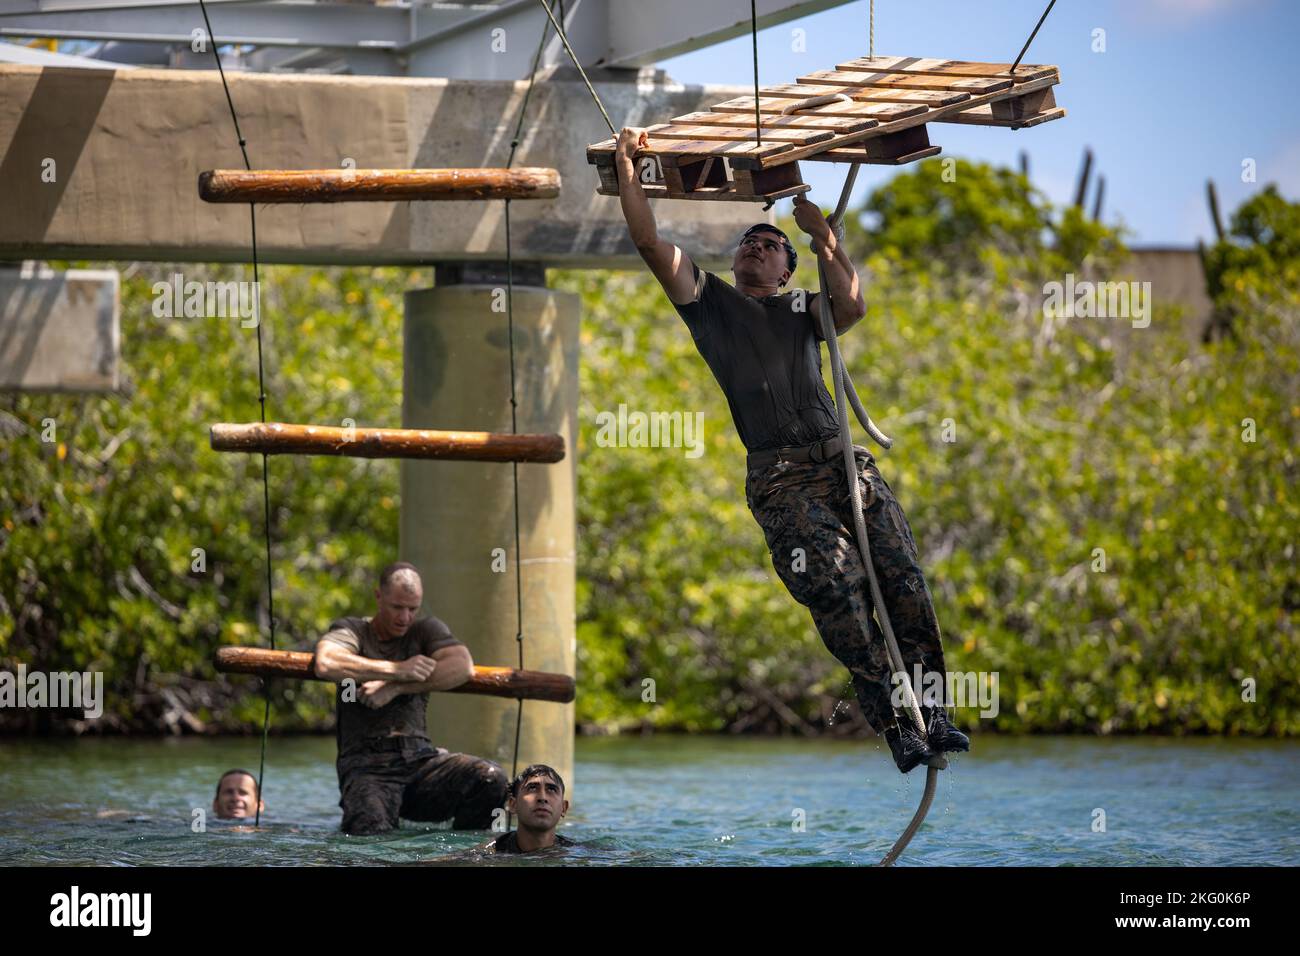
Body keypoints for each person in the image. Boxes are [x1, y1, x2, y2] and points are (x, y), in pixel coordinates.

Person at [612, 126, 970, 773]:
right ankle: (896, 724)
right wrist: (629, 168)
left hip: (844, 466)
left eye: (770, 245)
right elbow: (647, 240)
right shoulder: (710, 302)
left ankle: (935, 712)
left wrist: (821, 236)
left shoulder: (806, 307)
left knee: (904, 581)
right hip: (783, 480)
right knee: (838, 589)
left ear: (786, 268)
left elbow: (852, 302)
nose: (756, 247)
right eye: (750, 241)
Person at [314, 561, 508, 834]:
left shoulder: (425, 630)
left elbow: (462, 666)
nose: (404, 617)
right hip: (367, 768)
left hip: (421, 761)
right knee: (371, 830)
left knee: (490, 778)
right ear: (378, 597)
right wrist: (397, 669)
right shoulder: (354, 630)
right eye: (397, 607)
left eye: (412, 608)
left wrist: (397, 686)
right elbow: (327, 663)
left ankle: (464, 857)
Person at [490, 764, 574, 854]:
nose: (542, 797)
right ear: (513, 805)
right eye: (532, 788)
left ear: (563, 808)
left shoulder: (578, 853)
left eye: (552, 789)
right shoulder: (485, 855)